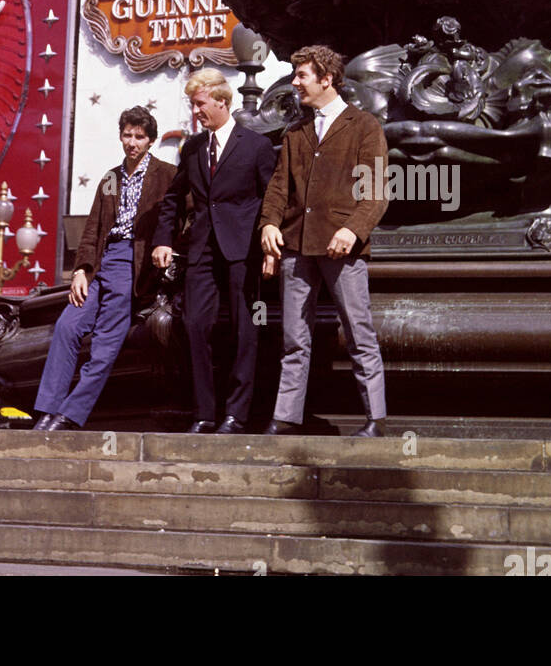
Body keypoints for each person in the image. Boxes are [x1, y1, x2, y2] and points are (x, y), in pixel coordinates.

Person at [260, 45, 389, 436]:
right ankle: (285, 418)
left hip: (343, 247)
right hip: (296, 246)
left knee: (359, 333)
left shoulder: (364, 126)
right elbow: (279, 187)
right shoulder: (296, 132)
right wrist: (269, 224)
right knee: (293, 341)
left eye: (302, 75)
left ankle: (375, 419)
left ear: (326, 79)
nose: (295, 83)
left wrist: (353, 229)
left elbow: (378, 188)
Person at [33, 107, 176, 431]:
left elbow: (183, 217)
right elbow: (93, 228)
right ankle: (47, 409)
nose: (132, 143)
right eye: (127, 135)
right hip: (101, 261)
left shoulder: (167, 174)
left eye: (139, 137)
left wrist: (166, 249)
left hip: (133, 263)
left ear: (151, 140)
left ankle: (70, 414)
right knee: (67, 327)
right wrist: (81, 270)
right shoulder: (111, 177)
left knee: (105, 342)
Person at [153, 69, 276, 434]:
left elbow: (272, 197)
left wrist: (271, 248)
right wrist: (163, 239)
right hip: (201, 251)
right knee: (194, 326)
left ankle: (237, 415)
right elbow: (174, 199)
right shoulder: (191, 148)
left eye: (201, 104)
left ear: (222, 102)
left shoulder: (257, 146)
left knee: (246, 330)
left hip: (245, 251)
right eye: (193, 105)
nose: (196, 112)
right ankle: (204, 414)